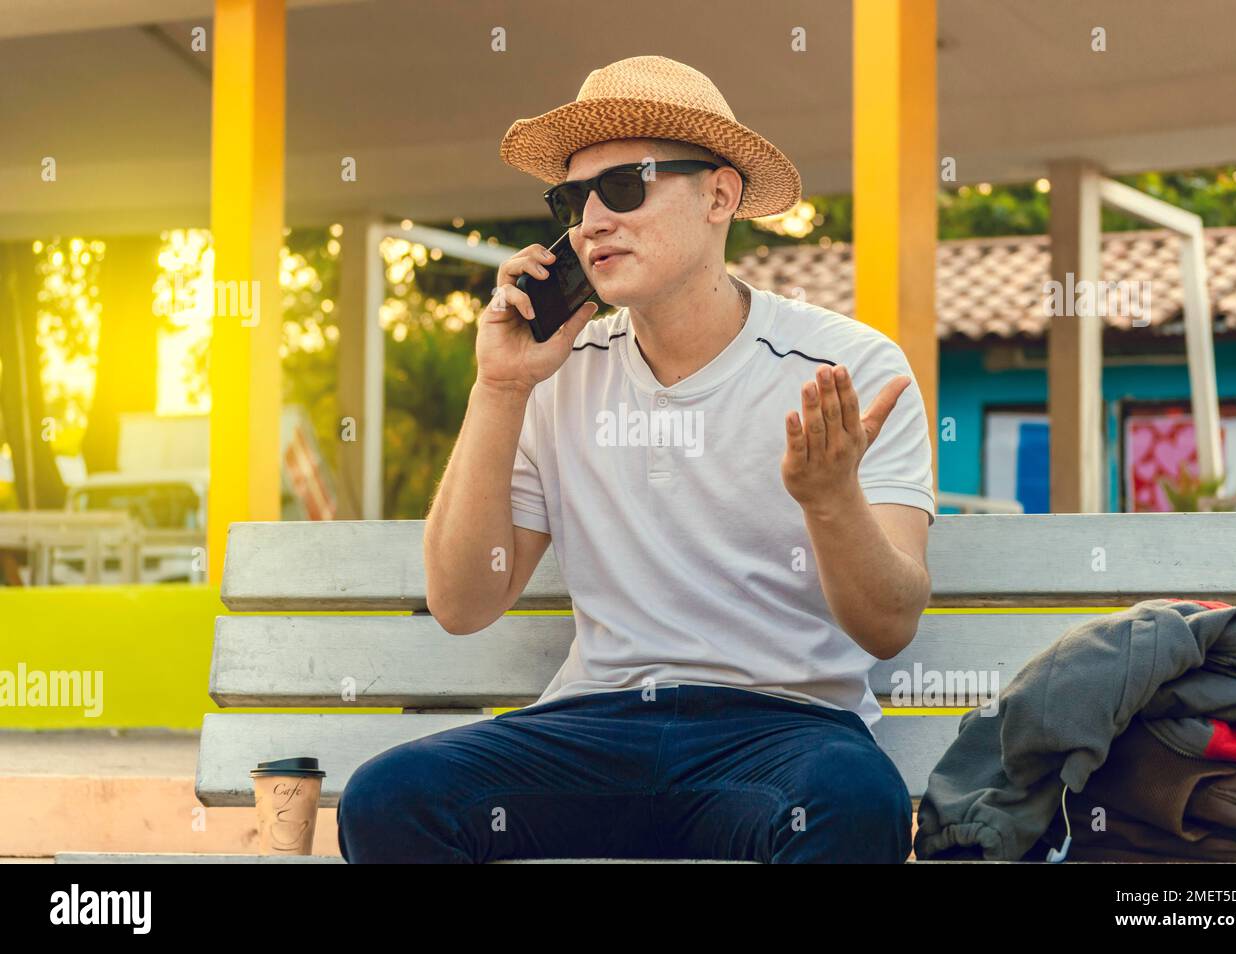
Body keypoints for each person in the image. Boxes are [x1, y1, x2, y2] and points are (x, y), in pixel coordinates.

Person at [337, 54, 935, 864]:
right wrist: (500, 387)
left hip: (781, 736)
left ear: (720, 196)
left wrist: (830, 502)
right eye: (571, 199)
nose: (588, 221)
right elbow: (461, 604)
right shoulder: (553, 367)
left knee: (855, 807)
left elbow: (889, 625)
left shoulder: (848, 369)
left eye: (624, 187)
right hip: (596, 729)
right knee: (389, 799)